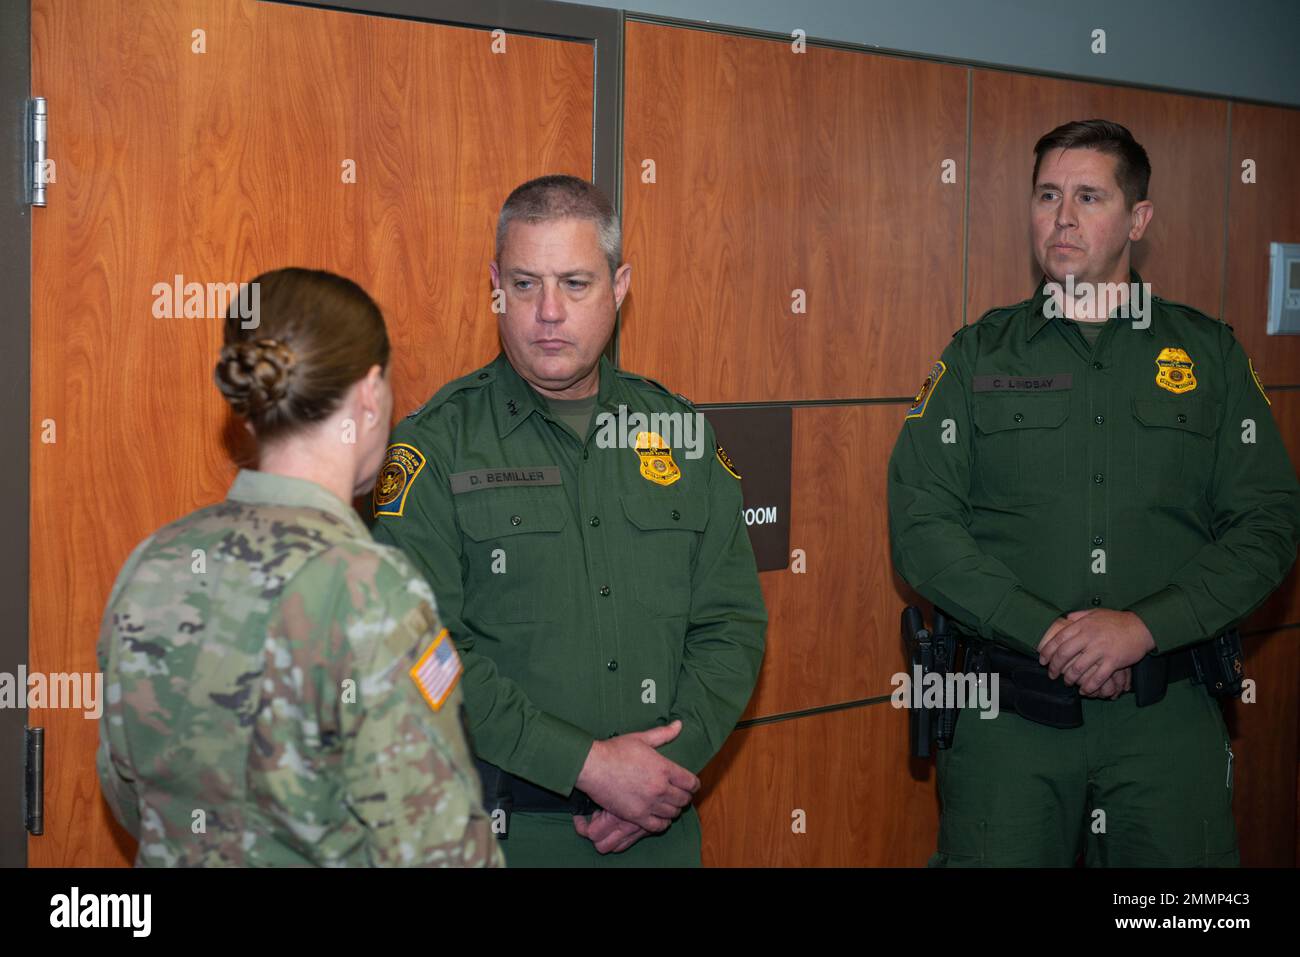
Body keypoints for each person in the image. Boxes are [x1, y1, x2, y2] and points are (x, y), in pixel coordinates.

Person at [888, 119, 1300, 866]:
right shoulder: (978, 354)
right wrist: (1049, 631)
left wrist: (1142, 626)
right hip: (1011, 719)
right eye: (1047, 195)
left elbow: (1268, 524)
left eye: (1088, 196)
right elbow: (921, 521)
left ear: (1138, 219)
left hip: (1164, 716)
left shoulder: (1209, 354)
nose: (1063, 217)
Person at [370, 175, 767, 867]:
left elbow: (731, 623)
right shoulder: (434, 447)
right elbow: (422, 657)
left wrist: (657, 775)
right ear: (495, 284)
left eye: (576, 284)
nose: (548, 312)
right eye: (525, 285)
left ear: (619, 287)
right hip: (498, 835)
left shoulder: (681, 435)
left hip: (657, 831)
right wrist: (587, 764)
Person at [96, 267, 502, 867]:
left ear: (251, 406)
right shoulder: (372, 589)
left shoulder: (153, 562)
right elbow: (437, 848)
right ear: (370, 395)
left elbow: (128, 792)